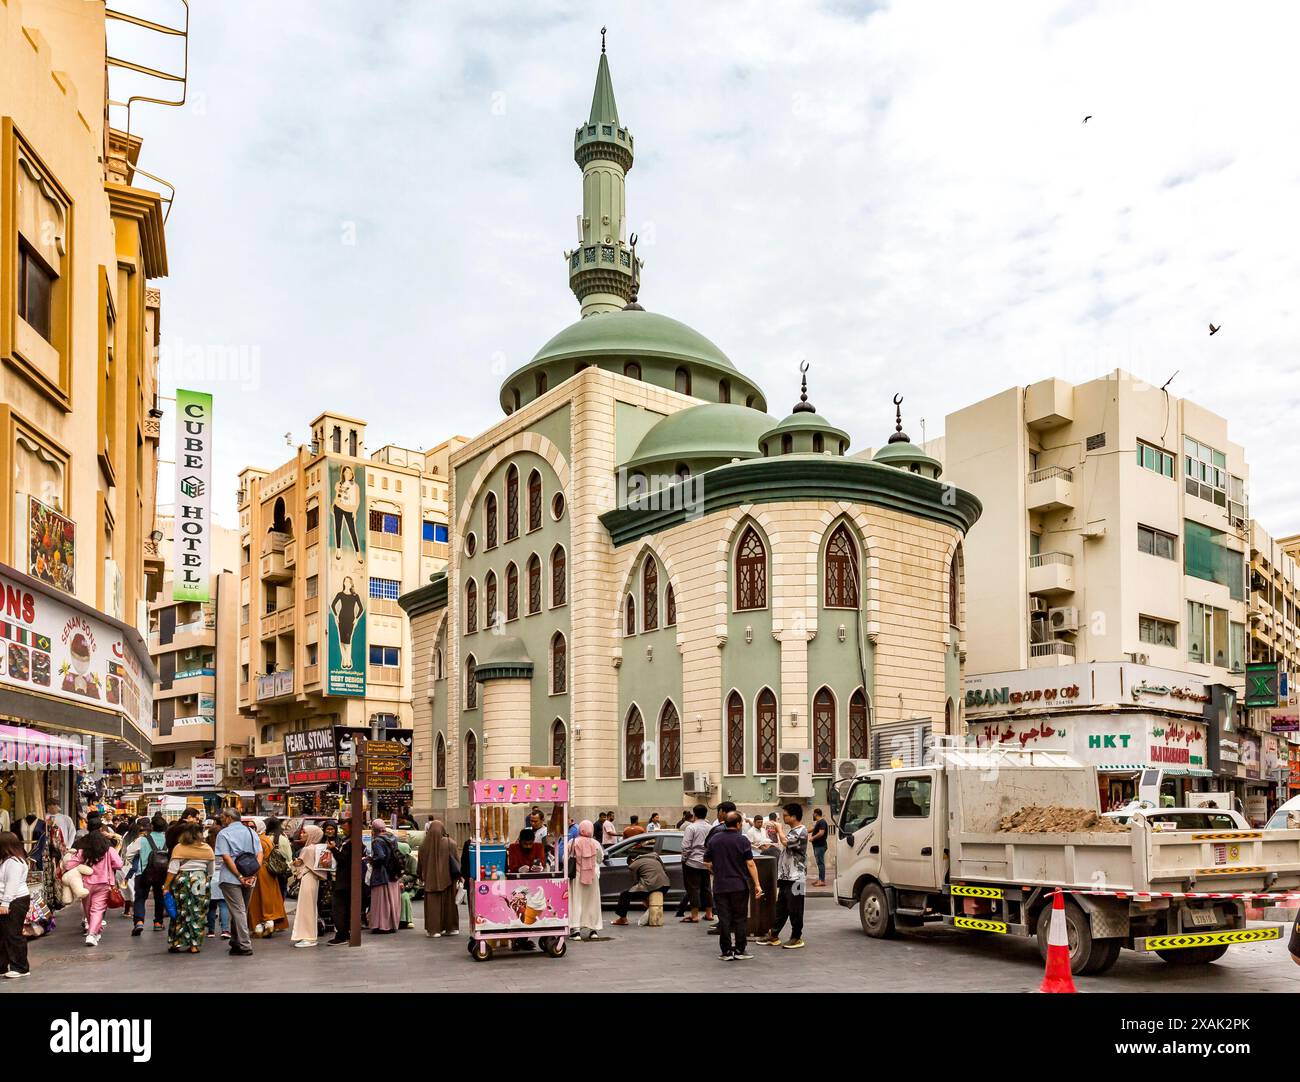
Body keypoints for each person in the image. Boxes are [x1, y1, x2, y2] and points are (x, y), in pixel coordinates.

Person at [703, 811, 762, 961]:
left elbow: (706, 862)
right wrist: (757, 884)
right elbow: (750, 863)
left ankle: (726, 951)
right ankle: (740, 949)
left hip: (720, 886)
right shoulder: (742, 841)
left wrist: (716, 871)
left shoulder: (715, 839)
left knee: (724, 919)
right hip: (739, 886)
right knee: (740, 918)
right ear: (738, 824)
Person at [63, 821, 123, 946]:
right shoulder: (109, 850)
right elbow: (119, 864)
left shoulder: (83, 851)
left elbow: (69, 865)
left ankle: (93, 931)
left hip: (86, 884)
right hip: (104, 883)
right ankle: (92, 934)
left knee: (88, 909)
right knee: (98, 909)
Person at [759, 803, 808, 950]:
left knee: (796, 908)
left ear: (793, 816)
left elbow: (786, 843)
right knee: (781, 907)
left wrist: (779, 830)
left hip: (797, 878)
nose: (783, 818)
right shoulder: (794, 831)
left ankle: (796, 937)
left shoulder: (801, 831)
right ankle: (774, 935)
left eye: (786, 815)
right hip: (787, 877)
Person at [162, 821, 214, 955]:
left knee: (180, 911)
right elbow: (211, 871)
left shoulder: (179, 848)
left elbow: (173, 869)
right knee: (198, 912)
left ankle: (176, 942)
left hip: (182, 880)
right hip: (200, 879)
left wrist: (166, 886)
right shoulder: (207, 848)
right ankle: (194, 945)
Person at [214, 808, 260, 956]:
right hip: (250, 875)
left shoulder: (223, 833)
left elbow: (226, 858)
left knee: (238, 911)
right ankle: (235, 941)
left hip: (230, 877)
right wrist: (252, 874)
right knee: (240, 911)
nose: (221, 819)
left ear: (228, 818)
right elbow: (260, 854)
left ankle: (245, 945)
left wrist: (239, 876)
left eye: (223, 817)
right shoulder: (251, 832)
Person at [417, 819, 459, 938]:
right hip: (449, 880)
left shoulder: (423, 846)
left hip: (430, 881)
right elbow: (456, 861)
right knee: (449, 905)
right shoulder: (450, 843)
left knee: (433, 906)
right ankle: (451, 928)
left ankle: (434, 930)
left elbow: (420, 865)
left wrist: (421, 876)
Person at [610, 842, 670, 926]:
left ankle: (622, 919)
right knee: (642, 891)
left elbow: (636, 883)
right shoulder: (655, 857)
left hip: (651, 886)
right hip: (666, 885)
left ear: (631, 860)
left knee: (624, 895)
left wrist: (643, 898)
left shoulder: (633, 864)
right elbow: (664, 870)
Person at [248, 819, 288, 938]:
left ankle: (260, 924)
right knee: (269, 897)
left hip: (258, 870)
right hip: (269, 871)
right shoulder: (267, 839)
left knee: (257, 899)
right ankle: (269, 922)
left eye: (253, 827)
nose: (250, 829)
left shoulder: (257, 840)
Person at [130, 814, 169, 934]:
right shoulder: (168, 840)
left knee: (140, 898)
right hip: (162, 874)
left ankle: (139, 922)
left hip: (143, 873)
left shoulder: (142, 840)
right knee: (159, 898)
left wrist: (139, 859)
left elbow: (128, 854)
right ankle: (158, 922)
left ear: (151, 826)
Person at [0, 831, 31, 979]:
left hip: (15, 901)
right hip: (11, 900)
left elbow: (11, 884)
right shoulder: (8, 860)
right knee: (5, 934)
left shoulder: (13, 862)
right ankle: (3, 965)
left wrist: (5, 903)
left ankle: (21, 967)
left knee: (13, 934)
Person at [290, 824, 327, 948]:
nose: (302, 834)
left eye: (305, 832)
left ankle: (308, 937)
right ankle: (309, 935)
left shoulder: (307, 850)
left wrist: (294, 864)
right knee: (310, 908)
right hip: (314, 879)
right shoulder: (320, 848)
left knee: (305, 908)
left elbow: (297, 866)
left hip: (307, 878)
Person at [568, 820, 603, 941]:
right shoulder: (596, 843)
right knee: (592, 903)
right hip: (592, 877)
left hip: (577, 878)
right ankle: (593, 930)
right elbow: (600, 859)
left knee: (577, 902)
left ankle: (576, 930)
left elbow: (565, 858)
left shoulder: (573, 842)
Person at [680, 803, 714, 924]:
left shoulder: (691, 828)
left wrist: (684, 859)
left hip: (692, 862)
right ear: (706, 814)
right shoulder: (710, 828)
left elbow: (686, 846)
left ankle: (694, 915)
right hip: (706, 862)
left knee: (693, 888)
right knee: (707, 888)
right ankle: (709, 913)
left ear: (694, 814)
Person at [368, 820, 402, 933]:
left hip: (382, 874)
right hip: (393, 873)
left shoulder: (377, 841)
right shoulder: (392, 838)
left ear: (374, 829)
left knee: (381, 901)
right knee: (392, 899)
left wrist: (372, 860)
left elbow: (381, 856)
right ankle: (392, 924)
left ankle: (381, 925)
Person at [326, 819, 356, 944]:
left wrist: (334, 850)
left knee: (340, 908)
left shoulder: (350, 843)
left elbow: (344, 860)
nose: (343, 829)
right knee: (343, 907)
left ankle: (342, 934)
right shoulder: (346, 840)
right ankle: (344, 932)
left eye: (345, 827)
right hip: (343, 879)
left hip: (344, 880)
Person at [205, 822, 229, 939]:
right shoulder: (224, 845)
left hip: (210, 876)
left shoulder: (206, 847)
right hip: (223, 876)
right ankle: (225, 930)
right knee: (224, 905)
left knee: (211, 906)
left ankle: (211, 930)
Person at [809, 808, 829, 886]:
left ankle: (822, 881)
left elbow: (821, 833)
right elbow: (813, 829)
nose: (813, 815)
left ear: (816, 814)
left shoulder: (822, 822)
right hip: (818, 846)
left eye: (813, 814)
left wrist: (813, 838)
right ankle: (820, 879)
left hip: (820, 846)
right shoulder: (819, 822)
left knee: (820, 863)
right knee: (819, 863)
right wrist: (803, 830)